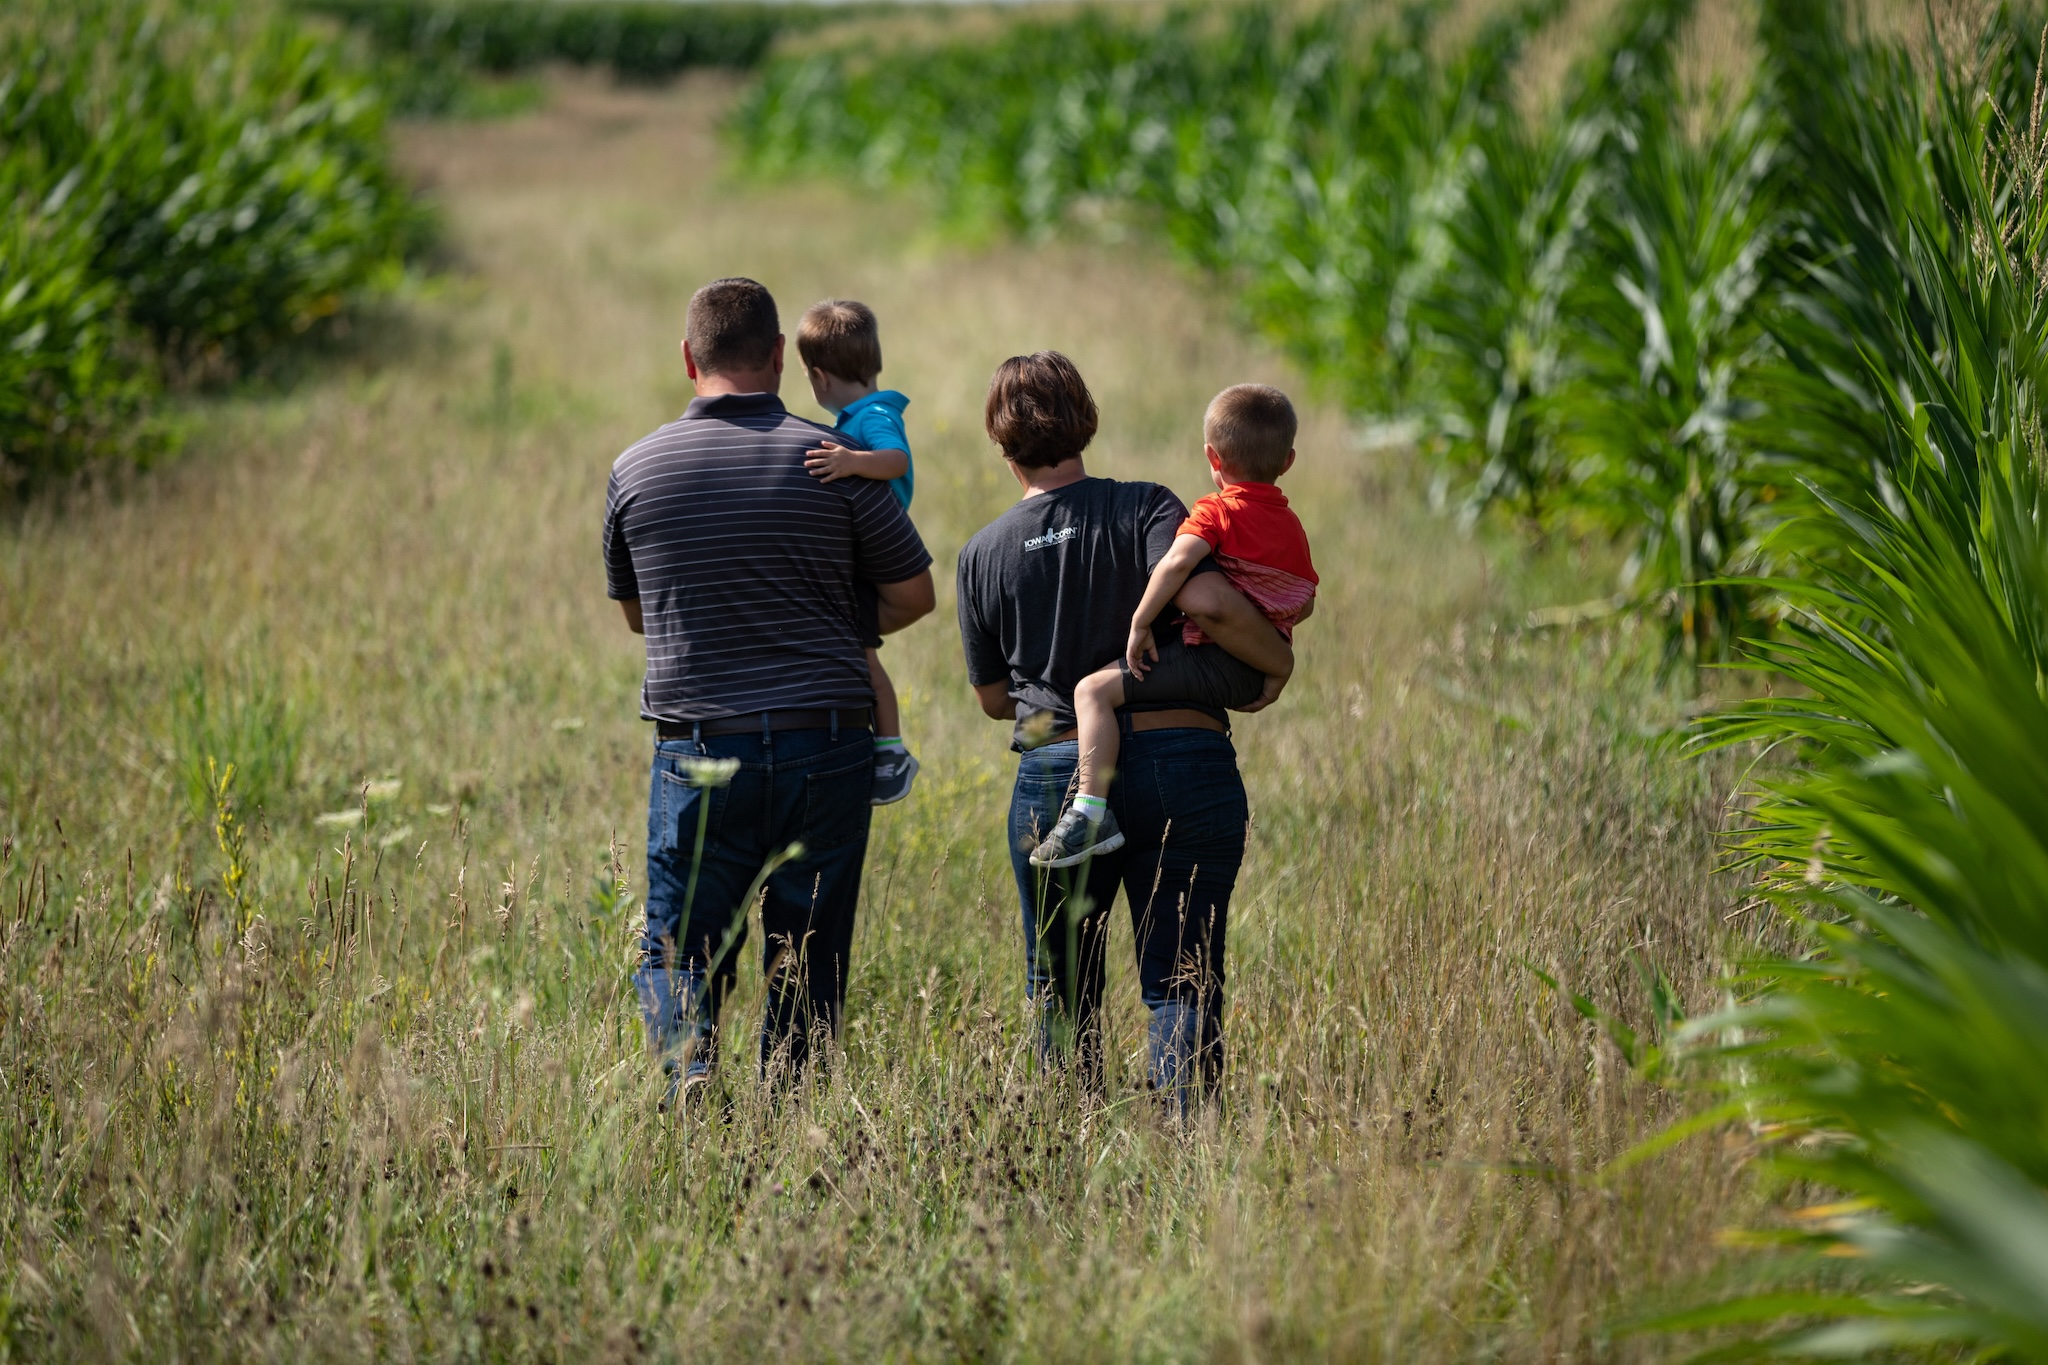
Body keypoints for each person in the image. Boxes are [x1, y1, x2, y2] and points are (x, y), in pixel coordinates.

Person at [603, 277, 935, 1100]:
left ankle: (691, 1071)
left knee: (679, 944)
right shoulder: (835, 460)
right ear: (781, 356)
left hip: (699, 744)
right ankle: (792, 1116)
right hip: (827, 739)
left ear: (689, 359)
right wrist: (825, 618)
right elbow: (913, 595)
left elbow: (639, 614)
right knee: (809, 949)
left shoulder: (636, 469)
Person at [955, 351, 1294, 1109]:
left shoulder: (980, 555)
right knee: (1183, 978)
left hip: (1057, 773)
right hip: (1184, 762)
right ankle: (1188, 1149)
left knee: (1060, 986)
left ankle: (1066, 1145)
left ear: (1000, 442)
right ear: (1087, 422)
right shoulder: (1145, 507)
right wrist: (1277, 662)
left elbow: (993, 698)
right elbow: (1209, 601)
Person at [1032, 383, 1317, 867]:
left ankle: (1088, 814)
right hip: (1255, 668)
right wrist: (1272, 658)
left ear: (1213, 456)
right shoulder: (1292, 527)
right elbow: (1303, 602)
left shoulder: (1217, 510)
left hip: (1216, 659)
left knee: (1092, 691)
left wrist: (1141, 622)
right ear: (1287, 461)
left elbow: (1176, 564)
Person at [795, 299, 920, 806]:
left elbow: (896, 460)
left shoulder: (874, 416)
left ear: (819, 377)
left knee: (864, 656)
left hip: (873, 555)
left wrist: (851, 461)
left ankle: (891, 751)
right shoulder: (861, 415)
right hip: (859, 552)